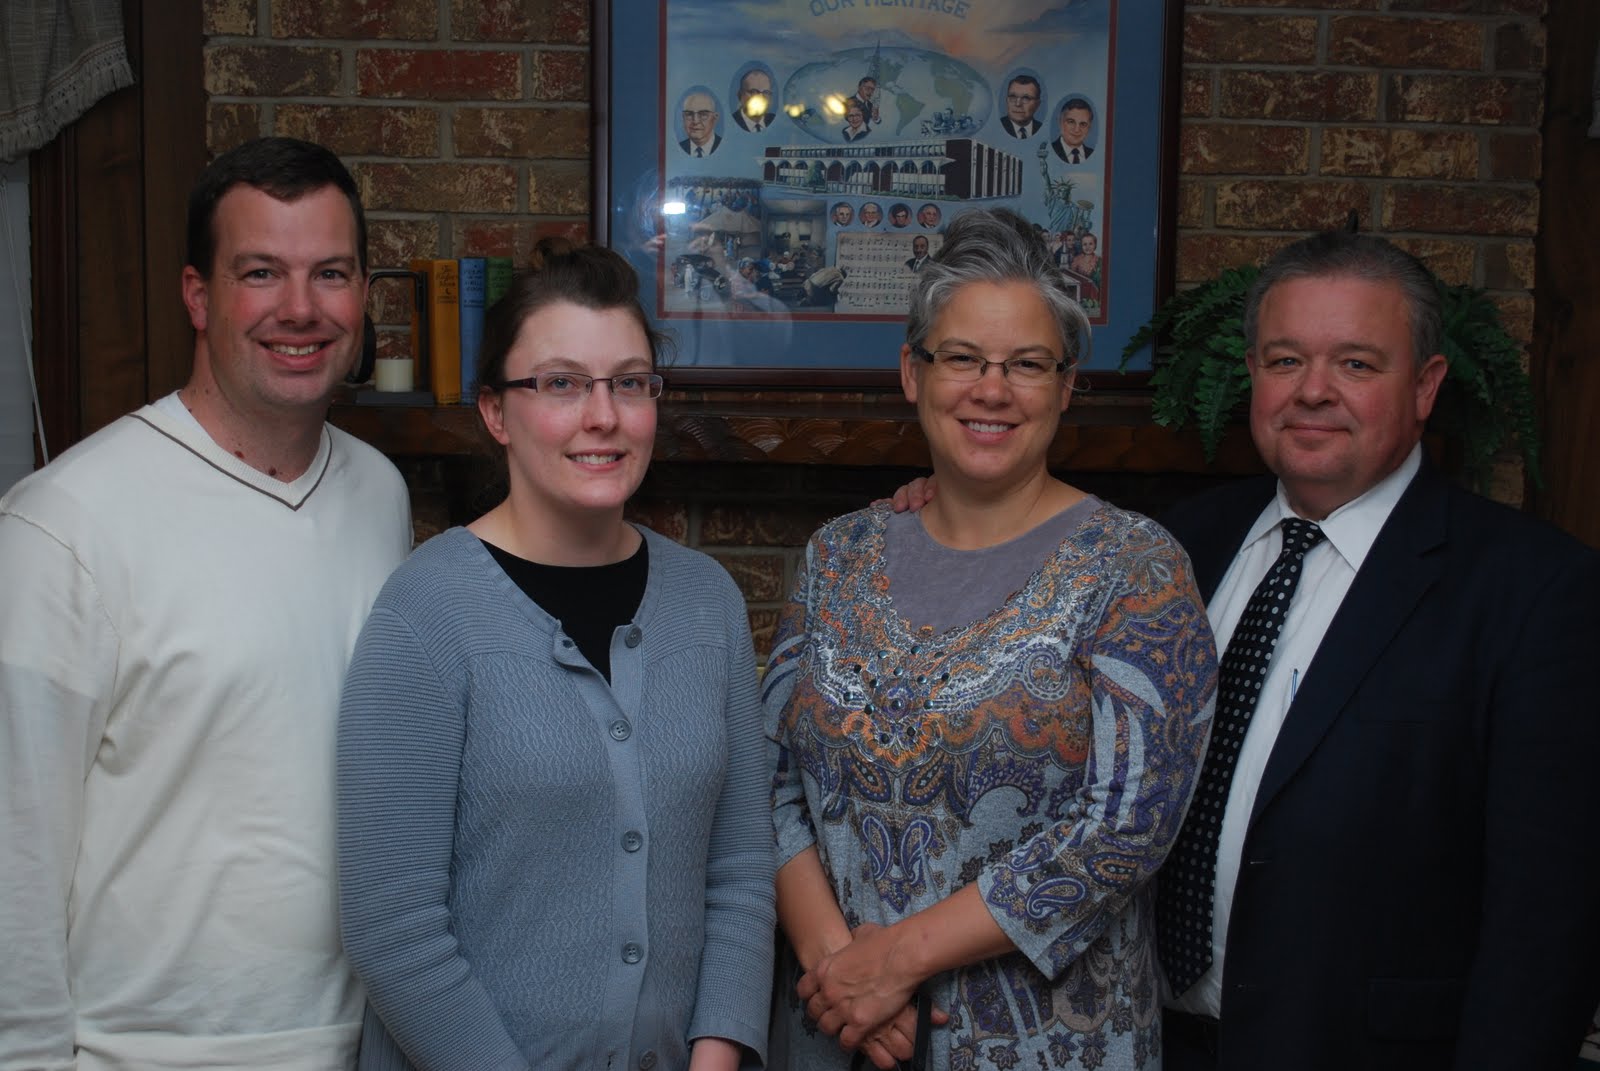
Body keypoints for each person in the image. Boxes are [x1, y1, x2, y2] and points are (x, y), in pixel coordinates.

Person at [765, 208, 1217, 1070]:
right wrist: (841, 970)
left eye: (1027, 365)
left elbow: (1123, 830)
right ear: (912, 372)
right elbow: (767, 783)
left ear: (1067, 385)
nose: (992, 389)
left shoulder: (1135, 569)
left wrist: (894, 961)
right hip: (841, 1034)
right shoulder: (837, 555)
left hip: (1050, 1043)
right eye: (963, 358)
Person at [0, 136, 412, 1068]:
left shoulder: (381, 497)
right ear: (198, 296)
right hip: (134, 1052)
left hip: (361, 1044)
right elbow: (10, 856)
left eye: (330, 274)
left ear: (362, 298)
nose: (300, 309)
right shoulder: (62, 525)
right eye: (260, 272)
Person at [1154, 230, 1600, 1069]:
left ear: (1426, 386)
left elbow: (1548, 925)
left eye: (1357, 364)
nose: (1313, 391)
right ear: (1252, 373)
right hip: (1142, 1045)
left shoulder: (1538, 593)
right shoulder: (1179, 546)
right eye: (1286, 359)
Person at [337, 239, 775, 1071]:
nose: (602, 415)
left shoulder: (707, 600)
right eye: (563, 383)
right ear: (497, 411)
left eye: (630, 382)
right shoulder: (425, 613)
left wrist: (714, 1059)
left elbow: (741, 871)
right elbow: (394, 929)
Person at [1050, 98, 1095, 164]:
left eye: (1083, 124)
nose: (1077, 130)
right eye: (1071, 122)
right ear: (1060, 122)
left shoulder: (1093, 155)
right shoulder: (1049, 151)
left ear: (1089, 127)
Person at [680, 89, 722, 157]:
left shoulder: (724, 146)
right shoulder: (679, 148)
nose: (696, 121)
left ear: (715, 118)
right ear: (683, 117)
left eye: (703, 114)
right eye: (689, 114)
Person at [734, 67, 776, 133]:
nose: (761, 98)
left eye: (766, 92)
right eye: (754, 91)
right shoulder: (733, 122)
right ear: (740, 95)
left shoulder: (774, 121)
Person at [999, 74, 1042, 139]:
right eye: (1013, 97)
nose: (1018, 104)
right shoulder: (997, 127)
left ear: (1037, 104)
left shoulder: (1041, 129)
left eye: (1026, 98)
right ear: (1007, 100)